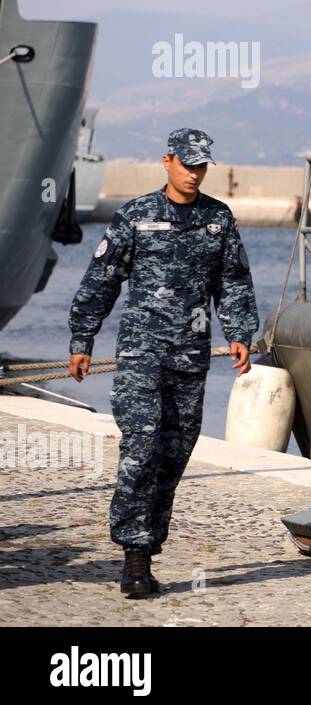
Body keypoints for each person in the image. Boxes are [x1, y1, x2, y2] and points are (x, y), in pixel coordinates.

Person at [68, 128, 258, 597]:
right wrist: (82, 338)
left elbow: (232, 280)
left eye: (201, 166)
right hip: (141, 354)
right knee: (141, 447)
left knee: (175, 451)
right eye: (187, 164)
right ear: (167, 161)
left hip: (190, 356)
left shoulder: (218, 218)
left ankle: (148, 545)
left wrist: (238, 333)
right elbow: (102, 278)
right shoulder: (136, 215)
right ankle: (134, 554)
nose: (194, 173)